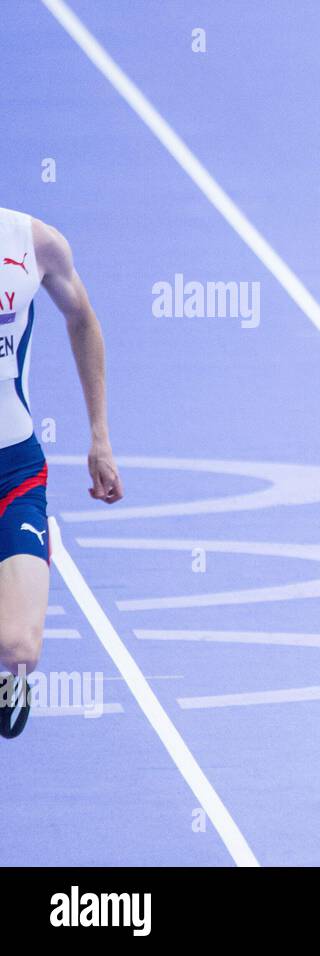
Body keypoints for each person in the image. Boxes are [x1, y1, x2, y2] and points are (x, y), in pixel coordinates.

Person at [0, 208, 123, 739]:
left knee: (20, 651)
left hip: (14, 469)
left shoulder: (33, 242)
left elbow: (83, 319)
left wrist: (99, 436)